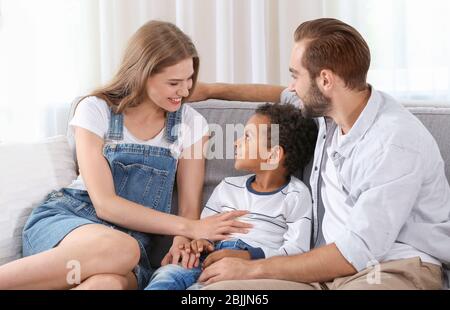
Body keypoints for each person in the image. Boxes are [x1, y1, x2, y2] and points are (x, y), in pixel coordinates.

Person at [190, 18, 450, 290]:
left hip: (392, 268)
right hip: (327, 272)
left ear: (325, 79)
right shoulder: (330, 113)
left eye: (295, 75)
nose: (291, 87)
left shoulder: (394, 142)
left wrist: (252, 269)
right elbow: (280, 96)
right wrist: (212, 90)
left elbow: (358, 250)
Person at [0, 21, 251, 290]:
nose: (185, 90)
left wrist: (182, 243)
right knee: (121, 249)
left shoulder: (191, 124)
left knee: (108, 284)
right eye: (173, 82)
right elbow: (105, 205)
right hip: (72, 221)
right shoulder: (96, 110)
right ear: (142, 75)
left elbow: (188, 210)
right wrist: (191, 228)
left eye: (190, 79)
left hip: (131, 247)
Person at [145, 103, 318, 290]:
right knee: (167, 275)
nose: (236, 142)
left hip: (245, 267)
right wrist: (200, 243)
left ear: (273, 155)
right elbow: (204, 228)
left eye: (247, 137)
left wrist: (247, 255)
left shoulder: (296, 195)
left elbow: (297, 251)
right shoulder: (228, 186)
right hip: (207, 257)